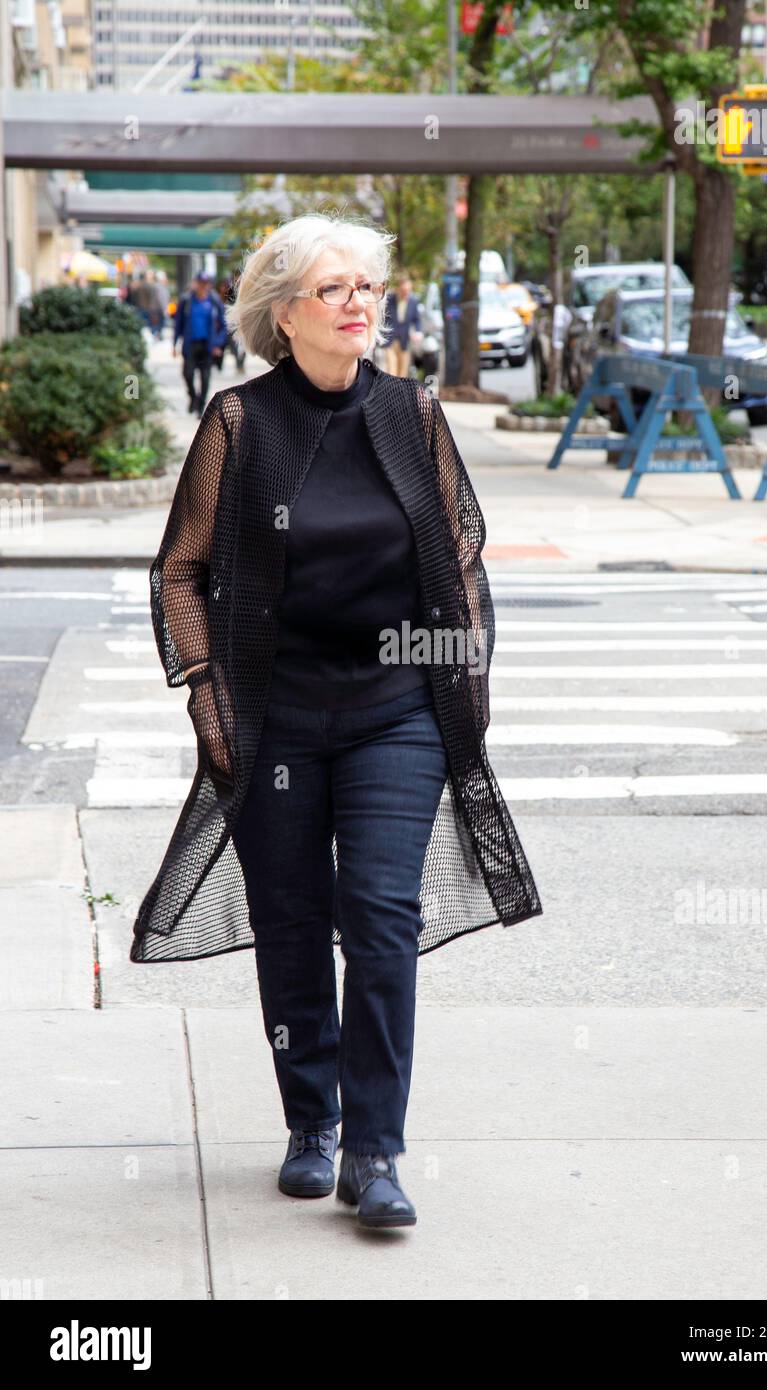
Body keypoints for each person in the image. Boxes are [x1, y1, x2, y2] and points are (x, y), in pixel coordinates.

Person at [130, 213, 543, 1233]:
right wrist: (206, 691)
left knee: (381, 921)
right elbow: (181, 569)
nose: (359, 302)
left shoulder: (410, 412)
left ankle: (375, 1147)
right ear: (284, 313)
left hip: (392, 708)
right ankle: (309, 1122)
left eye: (367, 285)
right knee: (290, 922)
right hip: (272, 712)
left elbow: (461, 554)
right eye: (334, 288)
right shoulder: (240, 423)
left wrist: (463, 665)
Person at [172, 271, 227, 416]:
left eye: (205, 283)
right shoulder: (187, 301)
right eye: (200, 283)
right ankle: (193, 397)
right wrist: (174, 343)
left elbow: (223, 325)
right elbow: (178, 324)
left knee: (205, 377)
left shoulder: (214, 301)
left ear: (208, 285)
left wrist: (218, 344)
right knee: (188, 374)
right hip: (190, 344)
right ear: (195, 284)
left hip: (207, 345)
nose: (202, 286)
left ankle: (201, 406)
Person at [382, 274, 422, 377]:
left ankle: (400, 392)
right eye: (404, 290)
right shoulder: (389, 299)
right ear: (398, 289)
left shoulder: (413, 301)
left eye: (408, 290)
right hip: (390, 340)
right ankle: (391, 392)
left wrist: (418, 331)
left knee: (402, 373)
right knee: (391, 369)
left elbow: (416, 319)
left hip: (404, 341)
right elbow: (382, 317)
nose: (406, 293)